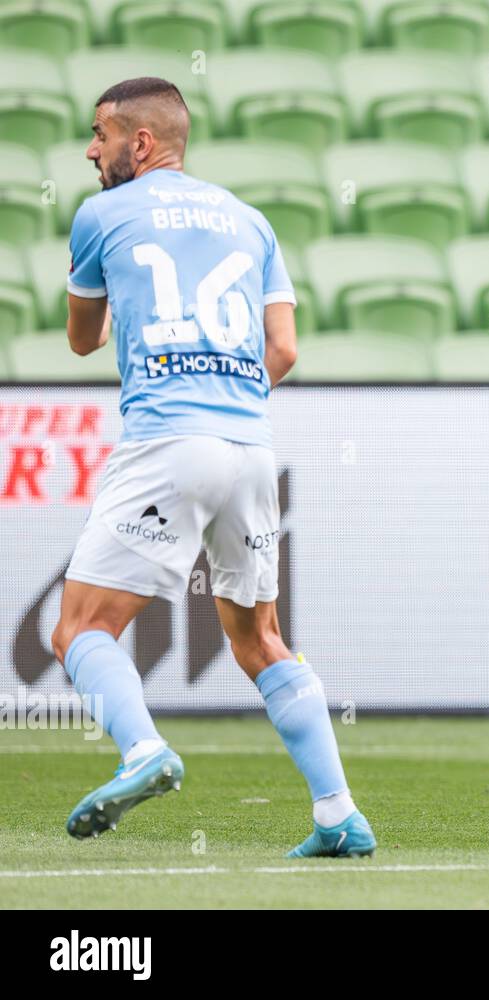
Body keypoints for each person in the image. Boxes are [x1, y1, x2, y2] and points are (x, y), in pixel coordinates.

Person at [51, 76, 375, 858]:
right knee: (261, 638)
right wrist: (224, 388)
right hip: (251, 447)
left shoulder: (101, 214)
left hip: (168, 441)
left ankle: (142, 751)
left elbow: (82, 338)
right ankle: (338, 814)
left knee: (80, 629)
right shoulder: (249, 219)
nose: (91, 151)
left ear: (143, 142)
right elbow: (287, 349)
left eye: (100, 135)